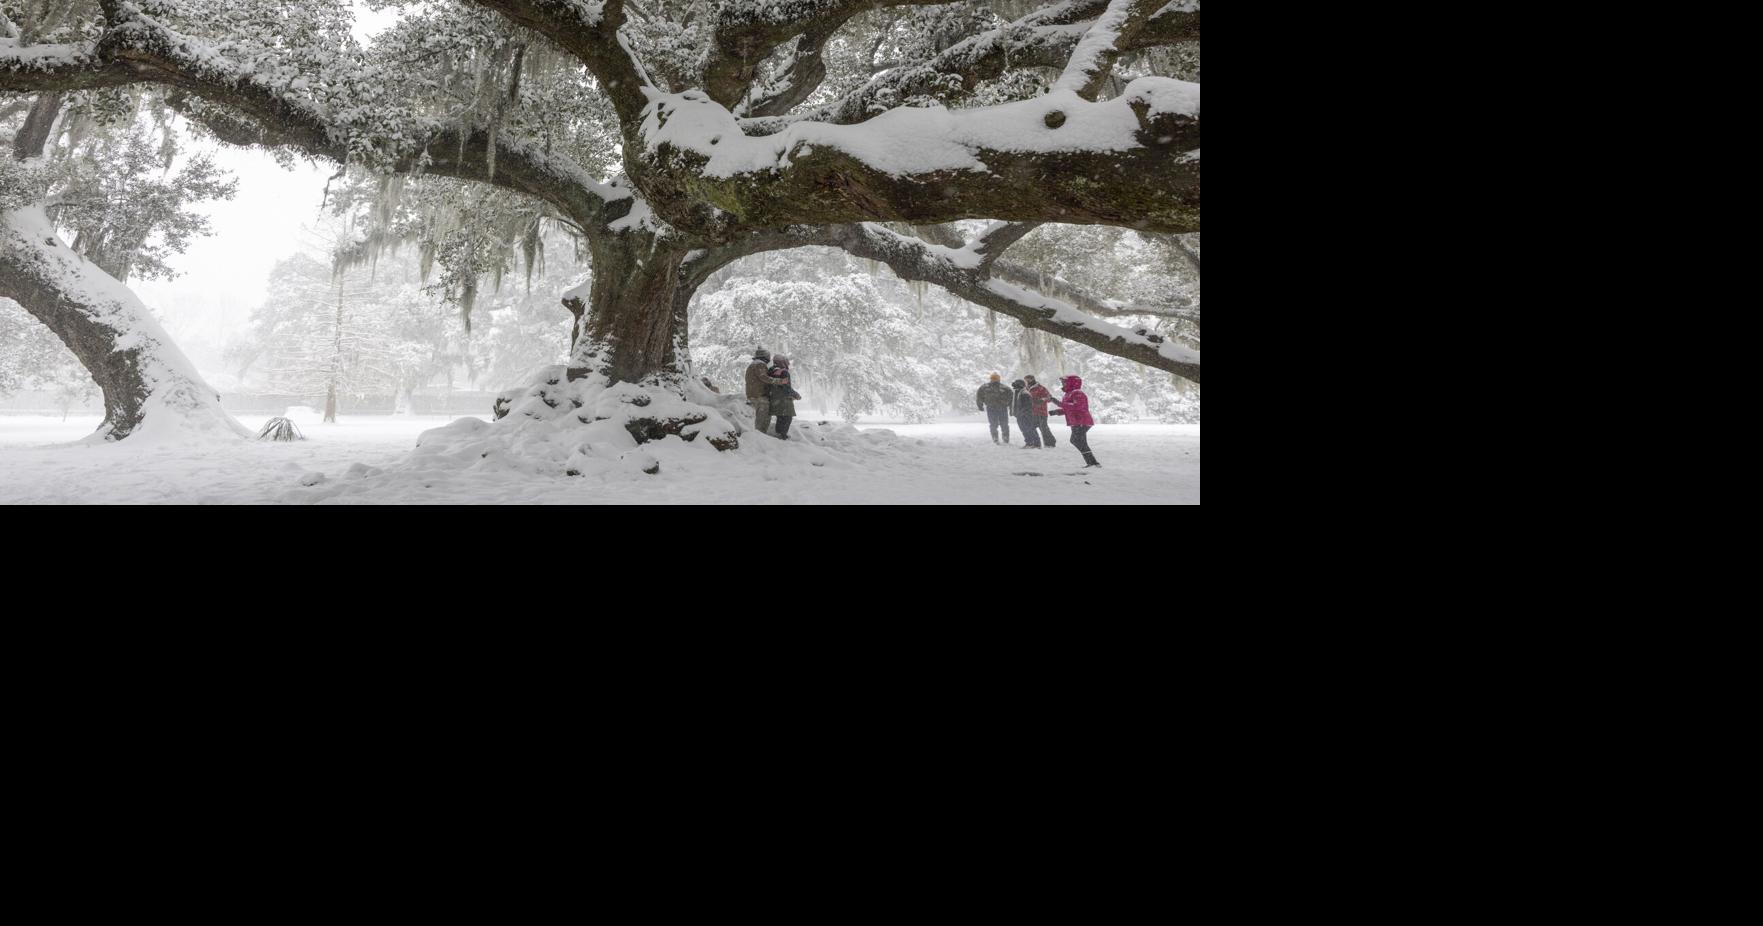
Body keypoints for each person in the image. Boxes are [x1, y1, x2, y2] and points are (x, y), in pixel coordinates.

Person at [1048, 375, 1100, 467]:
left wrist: (1058, 403)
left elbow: (1077, 407)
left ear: (1071, 383)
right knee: (1079, 441)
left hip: (1082, 421)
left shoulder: (1077, 393)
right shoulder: (1069, 393)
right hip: (1076, 421)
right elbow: (1069, 408)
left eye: (1064, 382)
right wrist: (1057, 412)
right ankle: (1092, 463)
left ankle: (1093, 463)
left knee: (1076, 440)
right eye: (1062, 382)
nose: (1062, 384)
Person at [745, 347, 789, 435]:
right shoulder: (760, 364)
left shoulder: (752, 364)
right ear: (765, 357)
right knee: (763, 418)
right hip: (759, 395)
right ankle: (760, 436)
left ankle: (760, 435)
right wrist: (780, 381)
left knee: (762, 417)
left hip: (753, 394)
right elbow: (764, 377)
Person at [768, 355, 804, 439]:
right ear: (782, 362)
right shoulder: (783, 372)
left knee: (780, 418)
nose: (787, 364)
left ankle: (778, 434)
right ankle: (782, 436)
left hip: (774, 398)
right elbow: (786, 388)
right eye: (786, 361)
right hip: (783, 400)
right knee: (787, 417)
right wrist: (796, 395)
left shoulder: (770, 371)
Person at [976, 373, 1013, 445]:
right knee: (994, 424)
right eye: (993, 378)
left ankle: (1005, 438)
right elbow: (979, 397)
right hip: (992, 408)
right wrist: (980, 405)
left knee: (1003, 424)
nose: (994, 380)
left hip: (1002, 408)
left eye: (995, 378)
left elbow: (1011, 398)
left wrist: (1010, 407)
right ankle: (995, 438)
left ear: (999, 379)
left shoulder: (1005, 388)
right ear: (991, 379)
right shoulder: (985, 387)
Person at [1024, 375, 1058, 449]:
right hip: (1030, 412)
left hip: (1041, 412)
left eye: (1028, 380)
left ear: (1032, 379)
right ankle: (1035, 443)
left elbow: (1049, 397)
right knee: (1031, 428)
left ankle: (1050, 443)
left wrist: (1041, 400)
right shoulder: (1026, 389)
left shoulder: (1041, 388)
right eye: (1025, 380)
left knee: (1043, 428)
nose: (1026, 381)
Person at [1011, 379, 1041, 448]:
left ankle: (1036, 444)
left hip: (1026, 415)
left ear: (1020, 385)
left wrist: (1022, 413)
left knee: (1030, 429)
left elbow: (1028, 406)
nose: (1014, 385)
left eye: (1016, 384)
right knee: (1024, 429)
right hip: (1021, 415)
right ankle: (1029, 443)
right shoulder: (1018, 392)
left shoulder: (1024, 393)